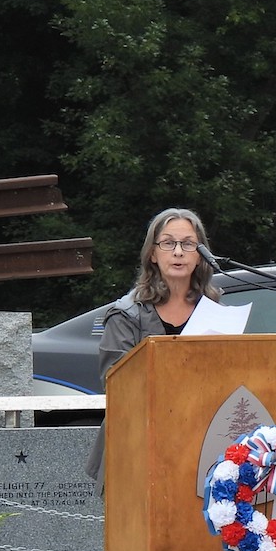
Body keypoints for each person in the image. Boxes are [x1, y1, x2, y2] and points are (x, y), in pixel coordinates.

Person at [85, 207, 223, 483]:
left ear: (201, 255)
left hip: (200, 446)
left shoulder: (215, 310)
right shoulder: (126, 314)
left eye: (188, 244)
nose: (178, 252)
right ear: (152, 253)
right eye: (168, 243)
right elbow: (117, 384)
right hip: (137, 448)